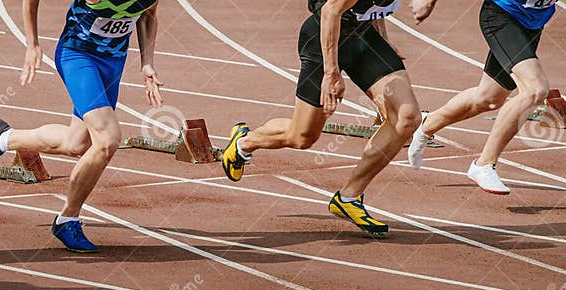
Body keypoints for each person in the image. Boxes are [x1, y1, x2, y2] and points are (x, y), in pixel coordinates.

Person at [220, 0, 437, 238]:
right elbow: (330, 10)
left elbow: (373, 7)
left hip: (364, 38)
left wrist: (383, 39)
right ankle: (244, 142)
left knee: (406, 119)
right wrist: (331, 73)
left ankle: (349, 197)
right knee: (302, 136)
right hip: (324, 36)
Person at [0, 0, 164, 253]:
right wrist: (32, 44)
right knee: (107, 140)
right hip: (78, 56)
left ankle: (3, 138)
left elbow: (148, 15)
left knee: (77, 143)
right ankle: (67, 220)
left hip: (113, 61)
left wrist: (147, 62)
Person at [407, 0, 555, 195]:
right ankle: (484, 164)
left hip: (531, 21)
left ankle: (426, 124)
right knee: (535, 89)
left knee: (489, 98)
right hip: (501, 15)